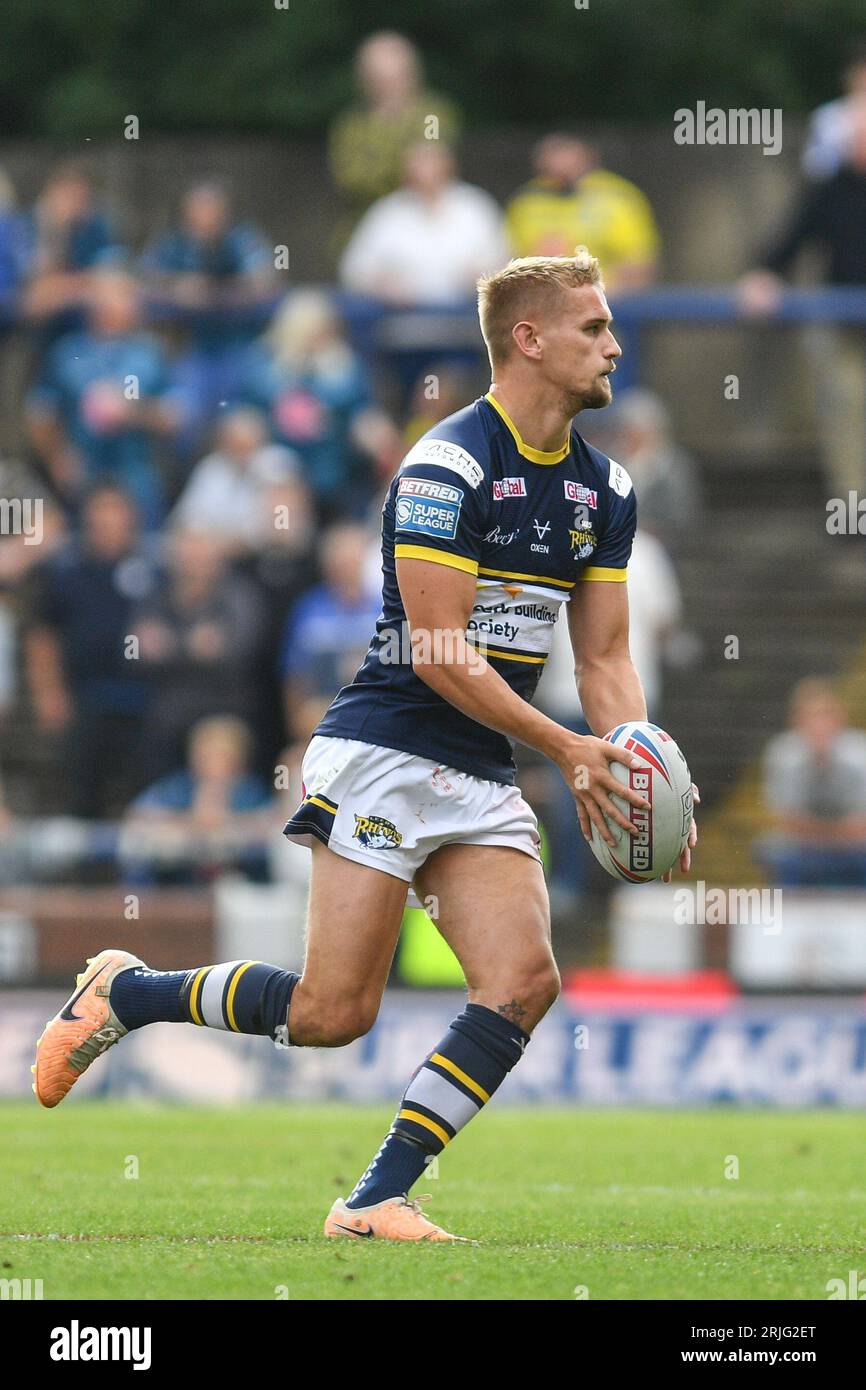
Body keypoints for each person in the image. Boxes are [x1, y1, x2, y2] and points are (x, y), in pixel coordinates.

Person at [32, 248, 698, 1244]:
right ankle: (126, 990)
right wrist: (565, 748)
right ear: (527, 339)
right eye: (593, 327)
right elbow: (436, 653)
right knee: (330, 1010)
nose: (613, 343)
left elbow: (602, 657)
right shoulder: (445, 464)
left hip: (479, 764)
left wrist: (639, 773)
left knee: (522, 981)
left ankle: (372, 1198)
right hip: (384, 749)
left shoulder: (605, 488)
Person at [25, 486, 158, 818]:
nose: (110, 521)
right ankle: (82, 865)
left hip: (145, 700)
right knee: (82, 788)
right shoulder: (65, 572)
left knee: (142, 787)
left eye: (117, 512)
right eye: (102, 512)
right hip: (85, 697)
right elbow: (43, 635)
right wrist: (48, 692)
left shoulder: (154, 570)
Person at [25, 269, 180, 529]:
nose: (117, 303)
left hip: (137, 478)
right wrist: (58, 458)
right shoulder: (68, 352)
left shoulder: (150, 353)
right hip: (84, 477)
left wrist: (133, 411)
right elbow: (40, 411)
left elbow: (177, 416)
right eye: (108, 295)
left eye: (125, 295)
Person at [237, 290, 371, 519]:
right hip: (276, 471)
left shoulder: (345, 366)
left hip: (332, 470)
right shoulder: (264, 363)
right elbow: (248, 409)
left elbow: (360, 411)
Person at [328, 31, 461, 243]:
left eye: (395, 76)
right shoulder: (351, 124)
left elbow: (432, 167)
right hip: (366, 232)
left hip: (431, 225)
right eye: (379, 77)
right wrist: (404, 169)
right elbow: (350, 179)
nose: (388, 85)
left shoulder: (434, 113)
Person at [339, 141, 510, 305]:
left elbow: (503, 260)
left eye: (432, 163)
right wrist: (381, 284)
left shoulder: (476, 206)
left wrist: (482, 277)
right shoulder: (387, 212)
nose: (426, 172)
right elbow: (355, 267)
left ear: (448, 167)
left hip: (466, 310)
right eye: (419, 164)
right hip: (397, 312)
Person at [120, 716, 272, 886]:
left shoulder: (251, 792)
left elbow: (272, 825)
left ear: (239, 760)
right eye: (206, 755)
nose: (213, 763)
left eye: (222, 756)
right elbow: (139, 815)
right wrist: (191, 822)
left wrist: (227, 824)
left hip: (240, 883)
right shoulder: (177, 787)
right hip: (179, 880)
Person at [505, 134, 659, 292]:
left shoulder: (615, 198)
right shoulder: (527, 201)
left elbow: (639, 263)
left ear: (587, 161)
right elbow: (509, 259)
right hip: (542, 299)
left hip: (606, 298)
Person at [757, 679, 866, 887]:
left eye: (825, 716)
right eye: (812, 717)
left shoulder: (860, 753)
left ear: (840, 719)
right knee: (772, 850)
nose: (819, 726)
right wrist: (836, 834)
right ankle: (787, 912)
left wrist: (821, 834)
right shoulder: (783, 755)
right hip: (803, 850)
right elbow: (786, 821)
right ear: (797, 721)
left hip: (853, 849)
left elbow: (863, 824)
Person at [169, 407, 299, 553]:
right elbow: (188, 519)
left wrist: (243, 540)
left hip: (267, 554)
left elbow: (282, 526)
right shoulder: (211, 468)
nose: (242, 454)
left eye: (247, 446)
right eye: (235, 446)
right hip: (218, 555)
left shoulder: (277, 464)